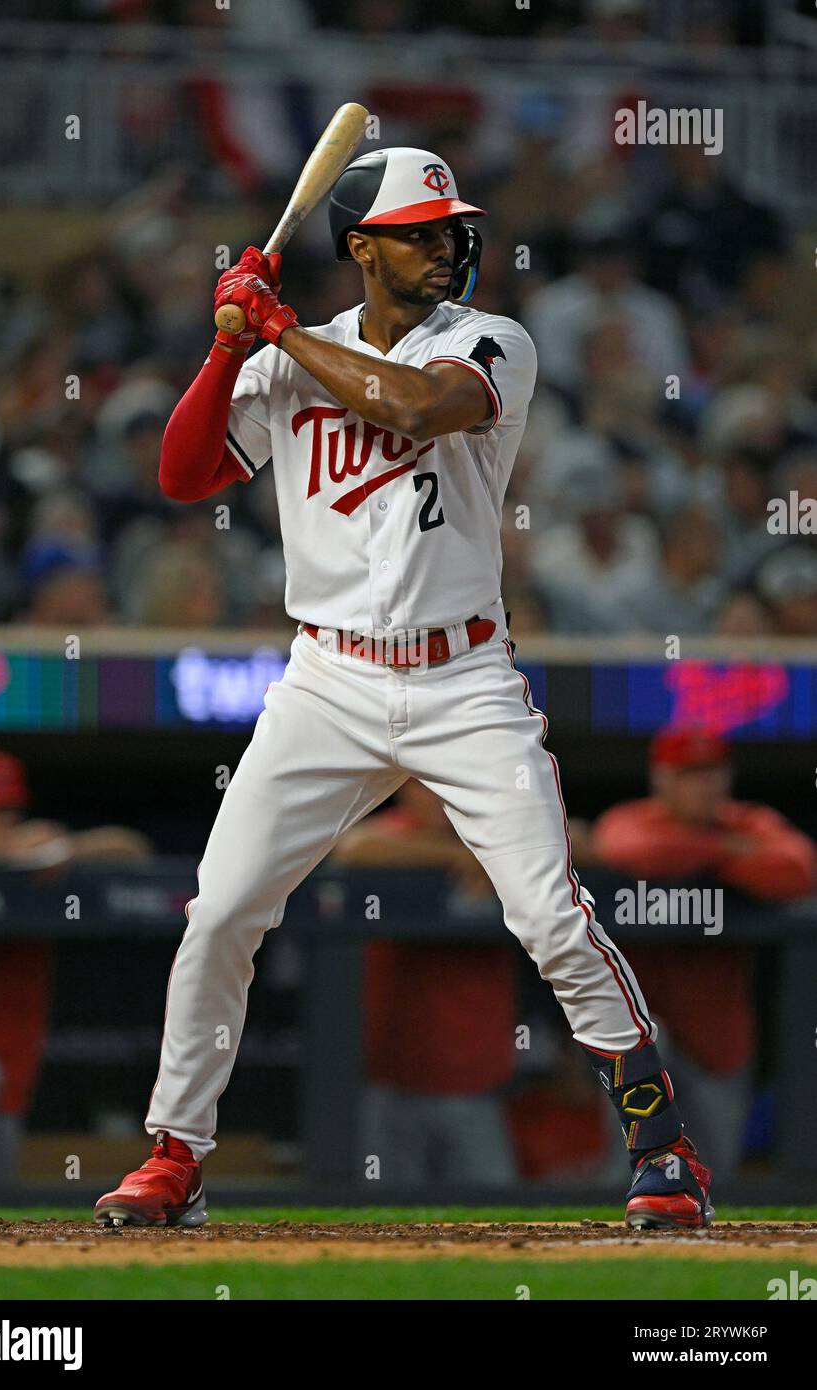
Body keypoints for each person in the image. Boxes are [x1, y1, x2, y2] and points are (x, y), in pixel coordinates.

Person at [96, 146, 713, 1231]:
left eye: (449, 229)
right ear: (361, 247)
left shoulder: (489, 342)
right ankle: (175, 1152)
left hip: (461, 674)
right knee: (222, 910)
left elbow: (423, 410)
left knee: (548, 917)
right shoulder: (290, 359)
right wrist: (226, 343)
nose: (446, 245)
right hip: (324, 675)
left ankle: (664, 1153)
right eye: (420, 230)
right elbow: (184, 473)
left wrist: (276, 331)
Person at [588, 728, 816, 1180]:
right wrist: (726, 853)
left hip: (720, 1038)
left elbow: (798, 868)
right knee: (627, 1164)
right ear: (662, 779)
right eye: (690, 775)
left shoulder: (751, 822)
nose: (704, 786)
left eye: (712, 774)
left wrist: (709, 852)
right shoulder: (637, 820)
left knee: (715, 1172)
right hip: (647, 1033)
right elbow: (625, 847)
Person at [0, 749, 153, 1183]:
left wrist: (64, 848)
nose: (1, 822)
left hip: (7, 1092)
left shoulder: (38, 871)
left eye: (8, 811)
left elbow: (132, 848)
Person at [331, 778, 519, 1189]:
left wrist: (489, 855)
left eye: (446, 784)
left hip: (476, 1082)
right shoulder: (392, 838)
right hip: (392, 1078)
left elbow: (576, 837)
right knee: (383, 1218)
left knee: (498, 1214)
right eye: (425, 786)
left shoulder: (499, 834)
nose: (438, 797)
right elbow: (351, 846)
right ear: (405, 790)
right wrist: (458, 857)